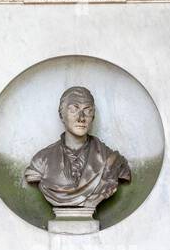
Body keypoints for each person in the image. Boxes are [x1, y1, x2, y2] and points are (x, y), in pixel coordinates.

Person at [23, 85, 131, 216]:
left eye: (88, 110)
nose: (81, 117)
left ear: (93, 116)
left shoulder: (111, 160)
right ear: (61, 115)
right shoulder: (41, 161)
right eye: (74, 109)